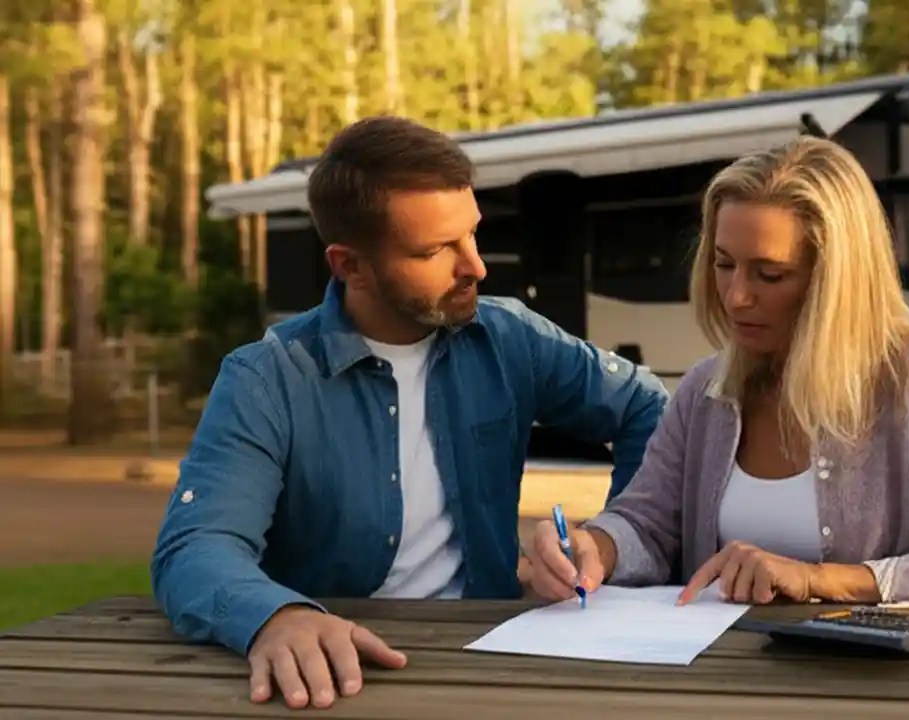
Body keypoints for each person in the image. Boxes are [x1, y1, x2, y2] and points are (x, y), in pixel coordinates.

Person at [150, 116, 668, 710]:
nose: (475, 266)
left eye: (472, 234)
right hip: (341, 675)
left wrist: (612, 541)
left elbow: (650, 409)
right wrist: (277, 616)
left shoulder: (511, 337)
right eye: (435, 250)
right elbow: (194, 548)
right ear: (350, 266)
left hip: (499, 660)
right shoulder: (267, 379)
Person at [524, 136, 909, 612]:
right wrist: (595, 545)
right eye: (724, 265)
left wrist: (817, 579)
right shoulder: (706, 391)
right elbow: (649, 525)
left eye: (770, 274)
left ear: (837, 281)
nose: (737, 295)